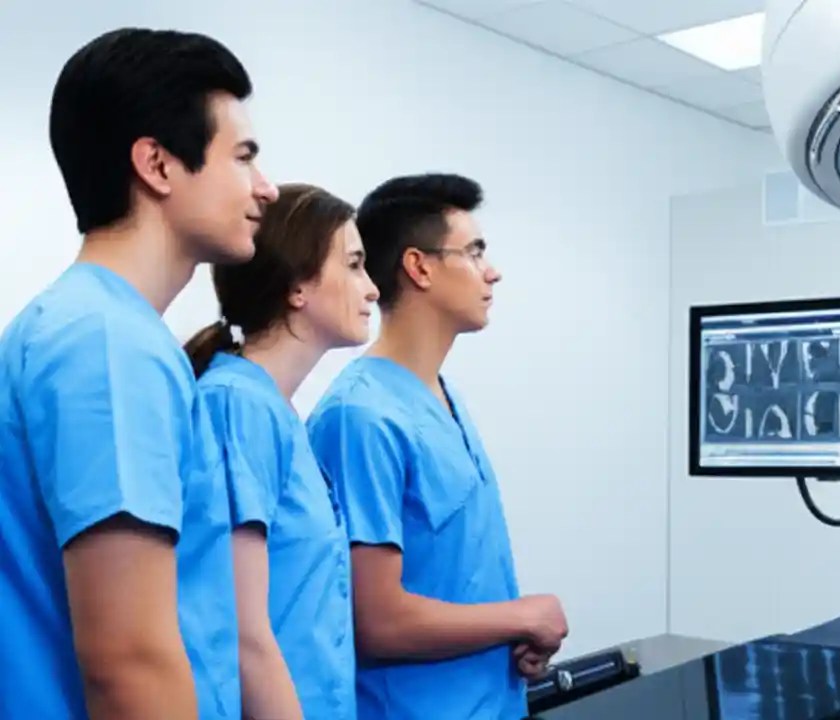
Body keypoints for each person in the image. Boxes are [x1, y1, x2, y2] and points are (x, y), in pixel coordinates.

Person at [0, 28, 277, 719]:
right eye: (243, 157)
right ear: (156, 164)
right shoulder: (108, 343)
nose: (266, 189)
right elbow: (130, 664)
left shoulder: (87, 327)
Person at [307, 173, 569, 719]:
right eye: (474, 251)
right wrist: (520, 618)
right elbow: (377, 621)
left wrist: (515, 638)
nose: (492, 270)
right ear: (419, 266)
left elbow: (457, 577)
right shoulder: (361, 417)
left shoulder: (443, 397)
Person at [184, 183, 377, 719]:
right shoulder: (237, 405)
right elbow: (245, 634)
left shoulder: (277, 411)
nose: (373, 289)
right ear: (297, 286)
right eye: (355, 265)